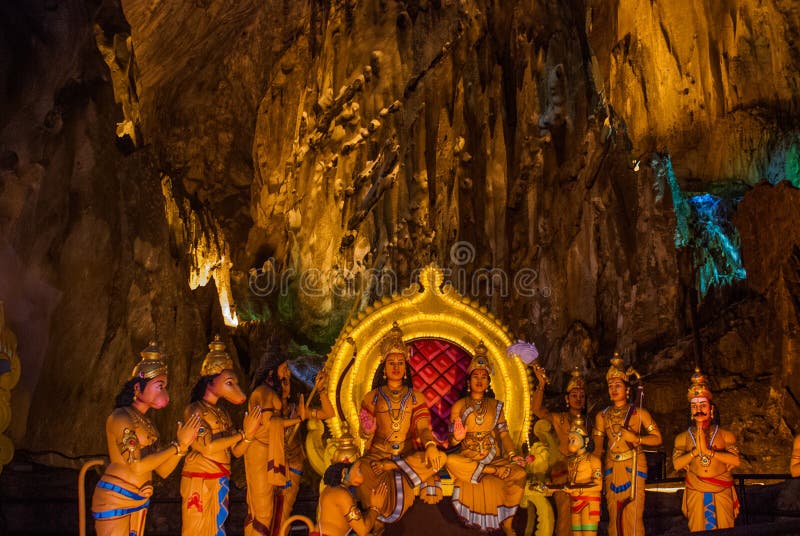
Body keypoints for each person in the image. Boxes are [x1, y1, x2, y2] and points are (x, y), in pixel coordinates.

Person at [91, 342, 201, 536]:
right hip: (116, 498)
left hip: (140, 498)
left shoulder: (149, 425)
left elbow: (163, 470)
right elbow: (138, 466)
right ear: (137, 388)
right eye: (159, 386)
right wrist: (176, 446)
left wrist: (184, 446)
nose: (164, 393)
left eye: (165, 386)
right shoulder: (120, 418)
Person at [356, 322, 447, 533]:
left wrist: (431, 445)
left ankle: (394, 468)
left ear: (406, 367)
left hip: (406, 455)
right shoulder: (372, 397)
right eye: (391, 363)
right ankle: (374, 521)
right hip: (377, 455)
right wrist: (366, 430)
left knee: (439, 458)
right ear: (384, 367)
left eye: (400, 363)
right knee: (362, 469)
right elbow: (365, 433)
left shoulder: (416, 397)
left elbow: (423, 428)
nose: (396, 367)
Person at [180, 335, 262, 535]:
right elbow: (206, 446)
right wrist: (241, 434)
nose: (235, 389)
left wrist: (249, 435)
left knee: (218, 527)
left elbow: (235, 451)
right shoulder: (195, 410)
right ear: (210, 382)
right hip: (200, 480)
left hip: (220, 478)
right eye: (229, 383)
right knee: (197, 529)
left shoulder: (223, 414)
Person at [446, 343, 526, 535]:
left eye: (484, 376)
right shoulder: (459, 405)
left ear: (489, 381)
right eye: (476, 376)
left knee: (520, 474)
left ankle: (508, 521)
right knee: (451, 460)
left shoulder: (496, 405)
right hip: (469, 458)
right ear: (468, 380)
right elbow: (451, 442)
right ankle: (491, 471)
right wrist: (457, 438)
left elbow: (504, 434)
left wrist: (513, 455)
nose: (480, 380)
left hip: (493, 455)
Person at [593, 353, 662, 536]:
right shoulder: (602, 415)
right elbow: (598, 448)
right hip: (611, 467)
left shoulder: (639, 413)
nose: (614, 389)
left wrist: (637, 438)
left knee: (633, 513)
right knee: (614, 514)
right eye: (610, 386)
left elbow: (657, 438)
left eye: (618, 385)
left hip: (633, 464)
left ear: (627, 389)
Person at [244, 355, 307, 535]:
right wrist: (297, 419)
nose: (287, 373)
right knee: (263, 511)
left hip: (269, 450)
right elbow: (270, 422)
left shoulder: (270, 392)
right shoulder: (263, 392)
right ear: (271, 371)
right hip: (260, 450)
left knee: (270, 509)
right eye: (284, 369)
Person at [673, 368, 740, 532]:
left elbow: (736, 461)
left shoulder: (725, 435)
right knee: (697, 528)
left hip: (721, 488)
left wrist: (710, 453)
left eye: (703, 405)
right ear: (690, 411)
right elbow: (676, 465)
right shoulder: (682, 438)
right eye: (694, 406)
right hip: (696, 489)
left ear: (711, 410)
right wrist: (695, 452)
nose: (699, 410)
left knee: (725, 528)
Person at [274, 362, 336, 529]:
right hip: (271, 466)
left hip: (293, 464)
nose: (283, 387)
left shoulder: (296, 408)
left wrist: (321, 390)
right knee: (267, 512)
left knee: (284, 512)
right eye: (279, 382)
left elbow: (329, 414)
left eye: (286, 382)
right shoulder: (268, 411)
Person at [530, 365, 587, 536]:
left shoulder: (590, 422)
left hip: (584, 471)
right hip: (563, 470)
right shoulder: (560, 418)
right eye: (574, 395)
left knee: (585, 516)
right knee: (565, 513)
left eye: (581, 396)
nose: (578, 399)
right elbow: (537, 410)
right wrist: (541, 384)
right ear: (567, 399)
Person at [562, 416, 602, 536]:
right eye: (569, 440)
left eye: (573, 439)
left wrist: (576, 489)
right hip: (575, 502)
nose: (570, 442)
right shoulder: (571, 462)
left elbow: (598, 486)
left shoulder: (593, 460)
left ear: (586, 441)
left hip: (589, 503)